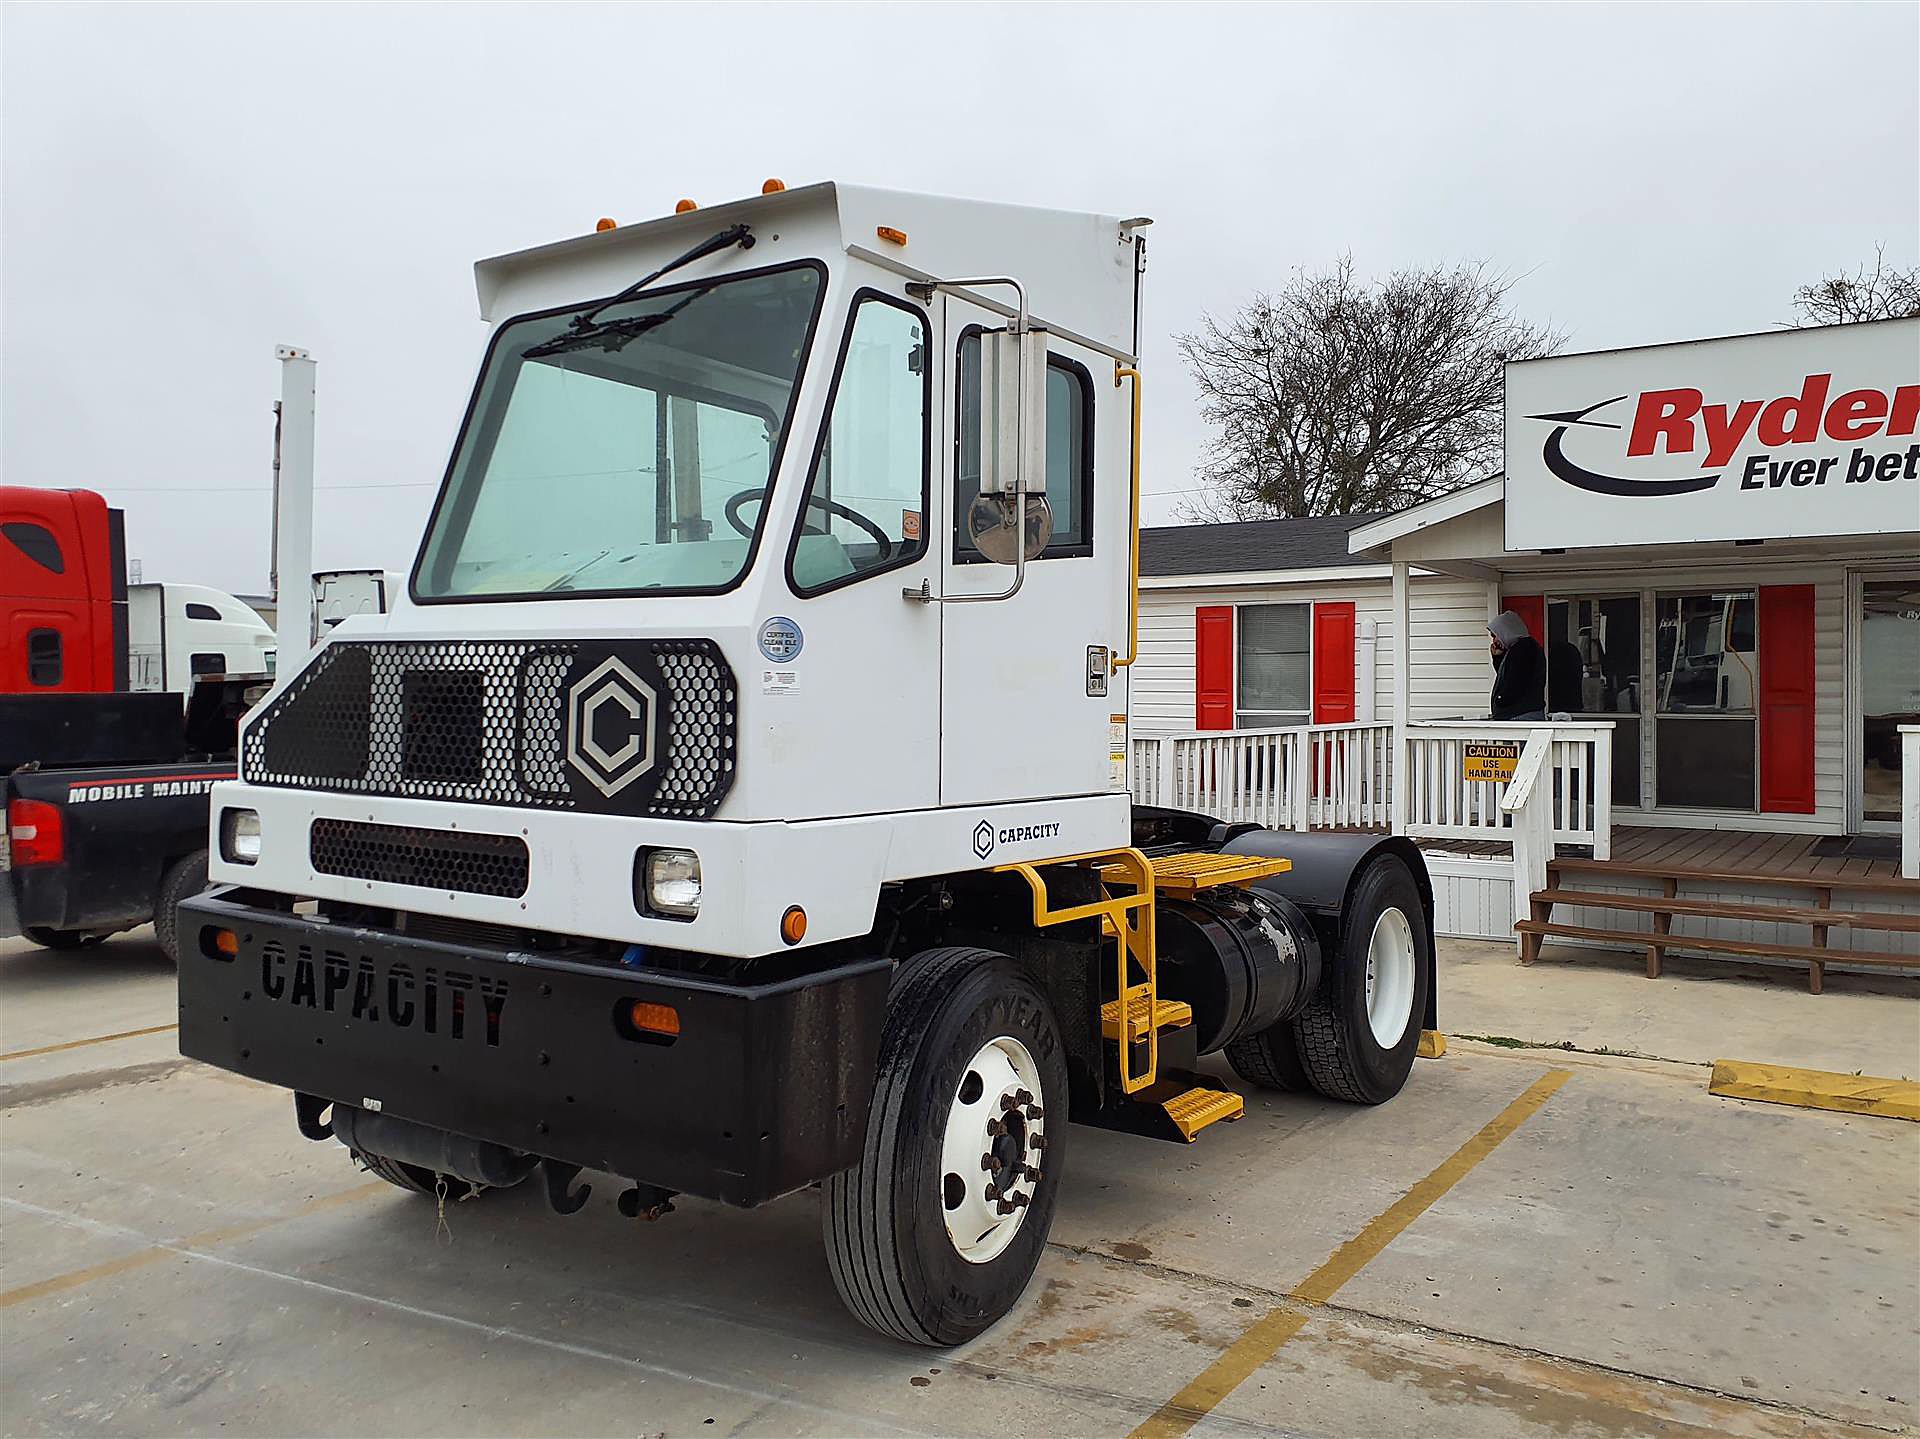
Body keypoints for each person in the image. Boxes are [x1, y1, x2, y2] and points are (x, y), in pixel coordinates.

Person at [1488, 611, 1546, 720]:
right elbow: (1508, 676)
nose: (1495, 641)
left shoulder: (1523, 649)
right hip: (1521, 713)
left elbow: (1515, 681)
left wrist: (1500, 700)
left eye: (1495, 636)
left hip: (1520, 715)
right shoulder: (1521, 648)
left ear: (1505, 631)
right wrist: (1498, 658)